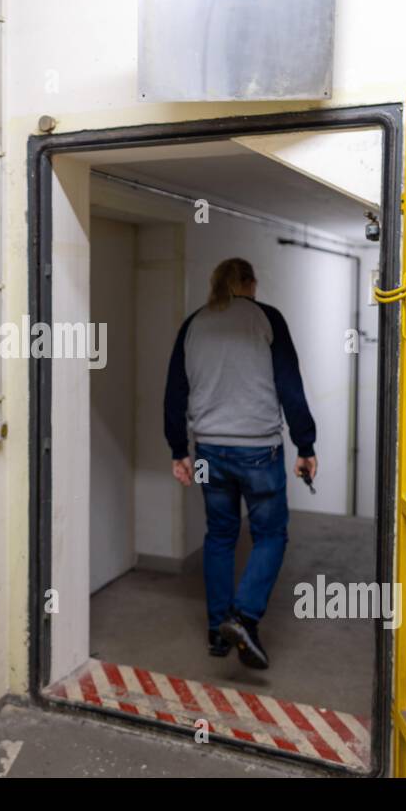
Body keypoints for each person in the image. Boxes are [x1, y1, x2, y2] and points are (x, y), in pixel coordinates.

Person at [163, 258, 317, 670]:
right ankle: (243, 616)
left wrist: (179, 450)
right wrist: (306, 444)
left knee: (220, 536)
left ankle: (217, 632)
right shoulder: (266, 319)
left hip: (209, 451)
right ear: (248, 284)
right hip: (259, 450)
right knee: (270, 535)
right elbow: (289, 384)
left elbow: (175, 391)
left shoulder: (194, 323)